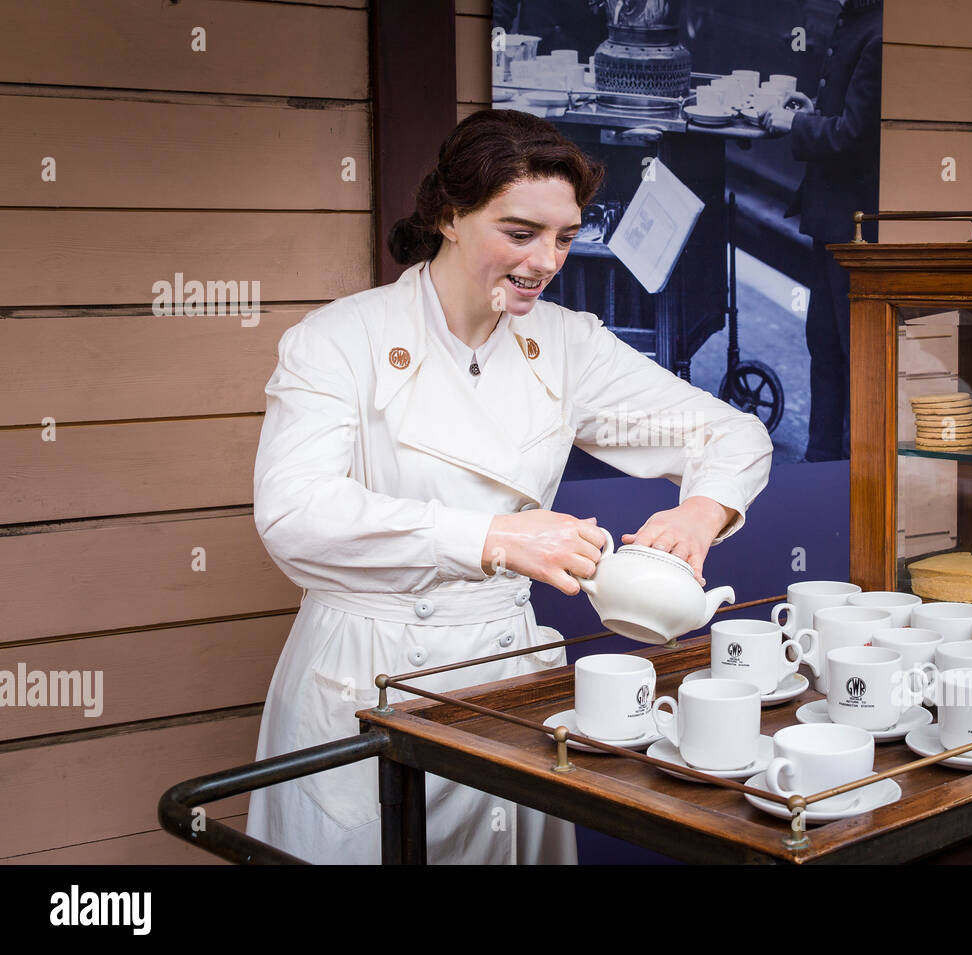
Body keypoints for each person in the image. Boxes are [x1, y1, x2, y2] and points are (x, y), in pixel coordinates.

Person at [245, 109, 773, 864]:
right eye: (520, 233)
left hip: (504, 684)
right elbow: (296, 514)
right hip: (363, 675)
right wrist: (492, 537)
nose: (547, 260)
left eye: (565, 237)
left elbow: (733, 433)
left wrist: (699, 511)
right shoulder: (337, 342)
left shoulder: (566, 346)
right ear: (450, 216)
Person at [759, 0, 883, 461]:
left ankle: (854, 460)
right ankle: (823, 454)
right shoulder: (865, 23)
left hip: (851, 222)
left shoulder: (877, 33)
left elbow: (852, 135)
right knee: (826, 342)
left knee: (848, 348)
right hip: (835, 216)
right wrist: (815, 111)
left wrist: (797, 123)